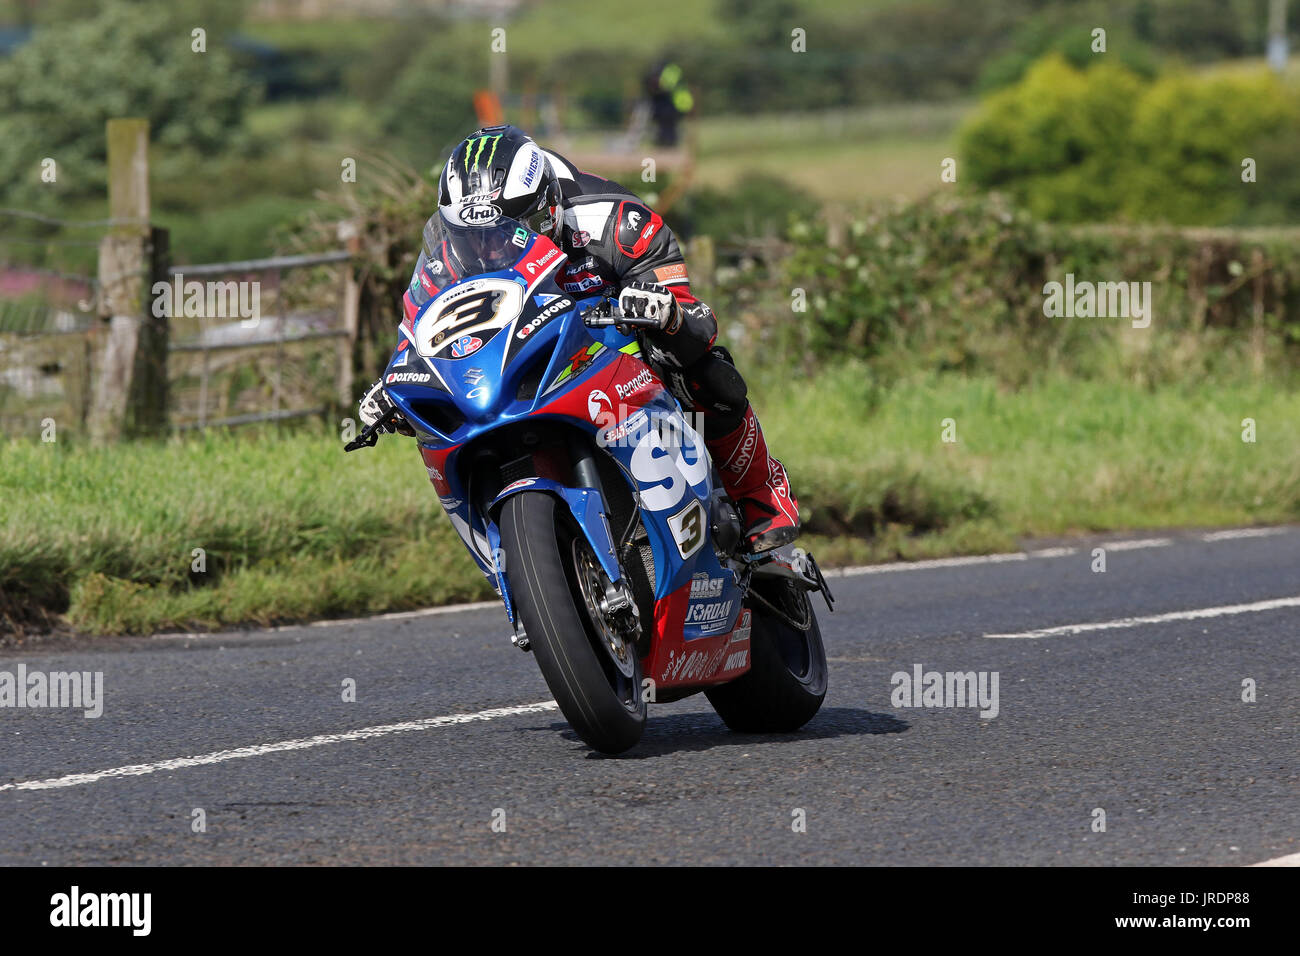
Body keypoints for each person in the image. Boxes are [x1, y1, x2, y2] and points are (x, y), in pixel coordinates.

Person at [359, 125, 799, 553]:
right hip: (522, 367)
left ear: (549, 203)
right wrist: (398, 383)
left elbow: (694, 317)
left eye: (512, 228)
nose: (492, 248)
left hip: (620, 354)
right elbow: (421, 327)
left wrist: (662, 311)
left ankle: (761, 496)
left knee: (706, 370)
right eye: (476, 237)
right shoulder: (447, 246)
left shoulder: (613, 220)